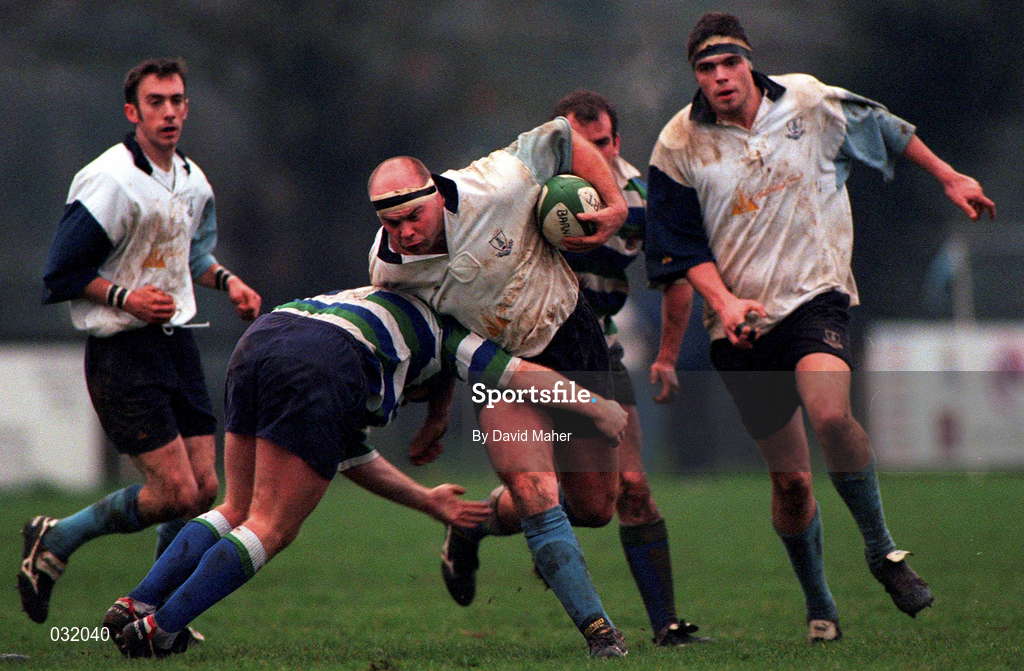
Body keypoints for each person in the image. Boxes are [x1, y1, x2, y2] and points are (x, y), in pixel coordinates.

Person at [645, 12, 996, 643]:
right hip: (741, 328)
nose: (721, 78)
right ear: (695, 74)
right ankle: (820, 602)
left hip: (817, 299)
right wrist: (723, 304)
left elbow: (887, 129)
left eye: (730, 64)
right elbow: (676, 247)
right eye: (706, 69)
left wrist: (948, 175)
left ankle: (882, 551)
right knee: (791, 481)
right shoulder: (677, 143)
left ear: (749, 62)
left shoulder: (809, 100)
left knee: (831, 413)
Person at [101, 286, 628, 658]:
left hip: (266, 336)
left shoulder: (381, 305)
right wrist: (593, 406)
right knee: (271, 526)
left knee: (235, 508)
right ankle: (160, 629)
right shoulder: (447, 331)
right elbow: (518, 372)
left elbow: (346, 452)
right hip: (321, 359)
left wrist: (427, 500)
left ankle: (134, 604)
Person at [366, 118, 634, 656]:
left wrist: (617, 206)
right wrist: (437, 414)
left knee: (596, 508)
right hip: (501, 375)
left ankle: (473, 528)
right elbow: (436, 340)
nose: (405, 233)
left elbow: (565, 136)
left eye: (413, 217)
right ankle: (601, 635)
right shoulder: (389, 274)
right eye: (391, 224)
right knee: (537, 490)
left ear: (436, 195)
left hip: (573, 339)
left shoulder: (498, 183)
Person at [20, 58, 262, 626]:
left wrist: (230, 283)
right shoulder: (110, 181)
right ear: (133, 112)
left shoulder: (193, 179)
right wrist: (127, 297)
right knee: (176, 492)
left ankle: (148, 605)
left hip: (174, 343)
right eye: (157, 102)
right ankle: (59, 538)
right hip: (121, 351)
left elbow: (191, 255)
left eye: (178, 100)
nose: (170, 111)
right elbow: (61, 273)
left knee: (204, 490)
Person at [543, 90, 706, 647]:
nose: (591, 155)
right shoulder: (526, 187)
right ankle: (498, 530)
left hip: (599, 352)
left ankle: (666, 629)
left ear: (618, 143)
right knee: (539, 490)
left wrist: (665, 354)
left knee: (627, 489)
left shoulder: (640, 196)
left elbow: (678, 274)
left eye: (602, 143)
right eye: (576, 145)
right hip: (527, 356)